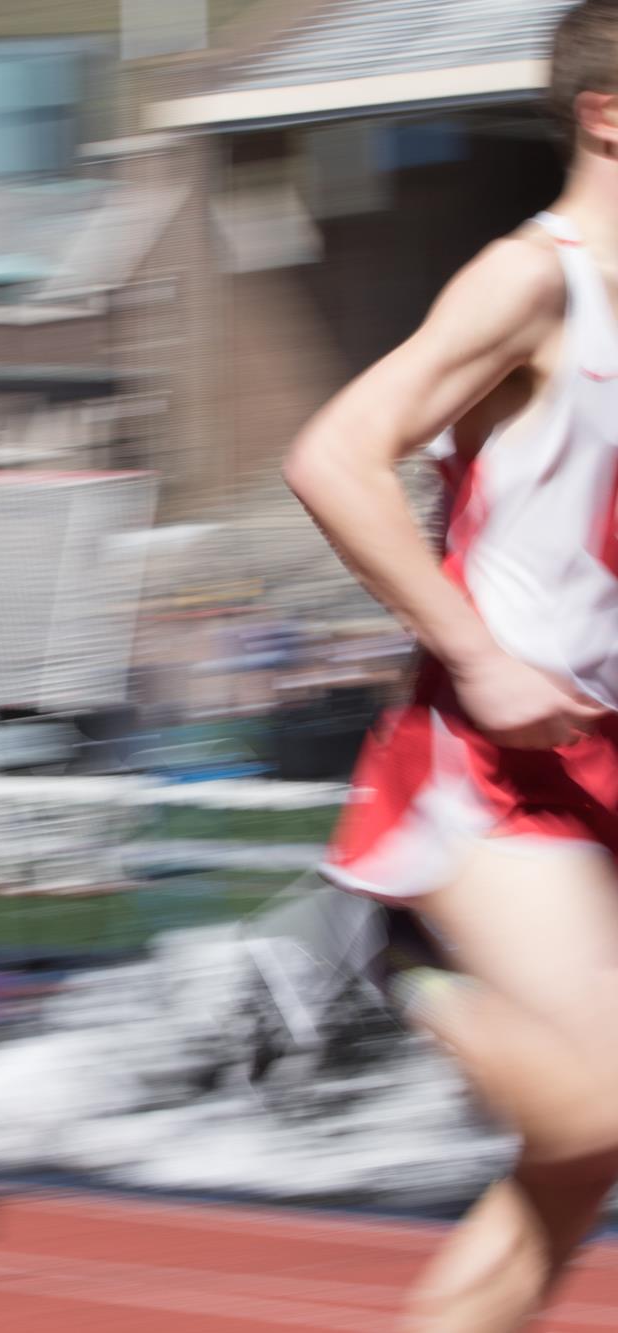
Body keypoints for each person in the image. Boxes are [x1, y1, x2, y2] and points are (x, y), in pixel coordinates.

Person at [286, 4, 618, 1325]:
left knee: (581, 1159)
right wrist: (477, 656)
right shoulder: (534, 279)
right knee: (605, 1101)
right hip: (488, 766)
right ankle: (392, 958)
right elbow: (333, 455)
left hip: (601, 758)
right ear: (608, 112)